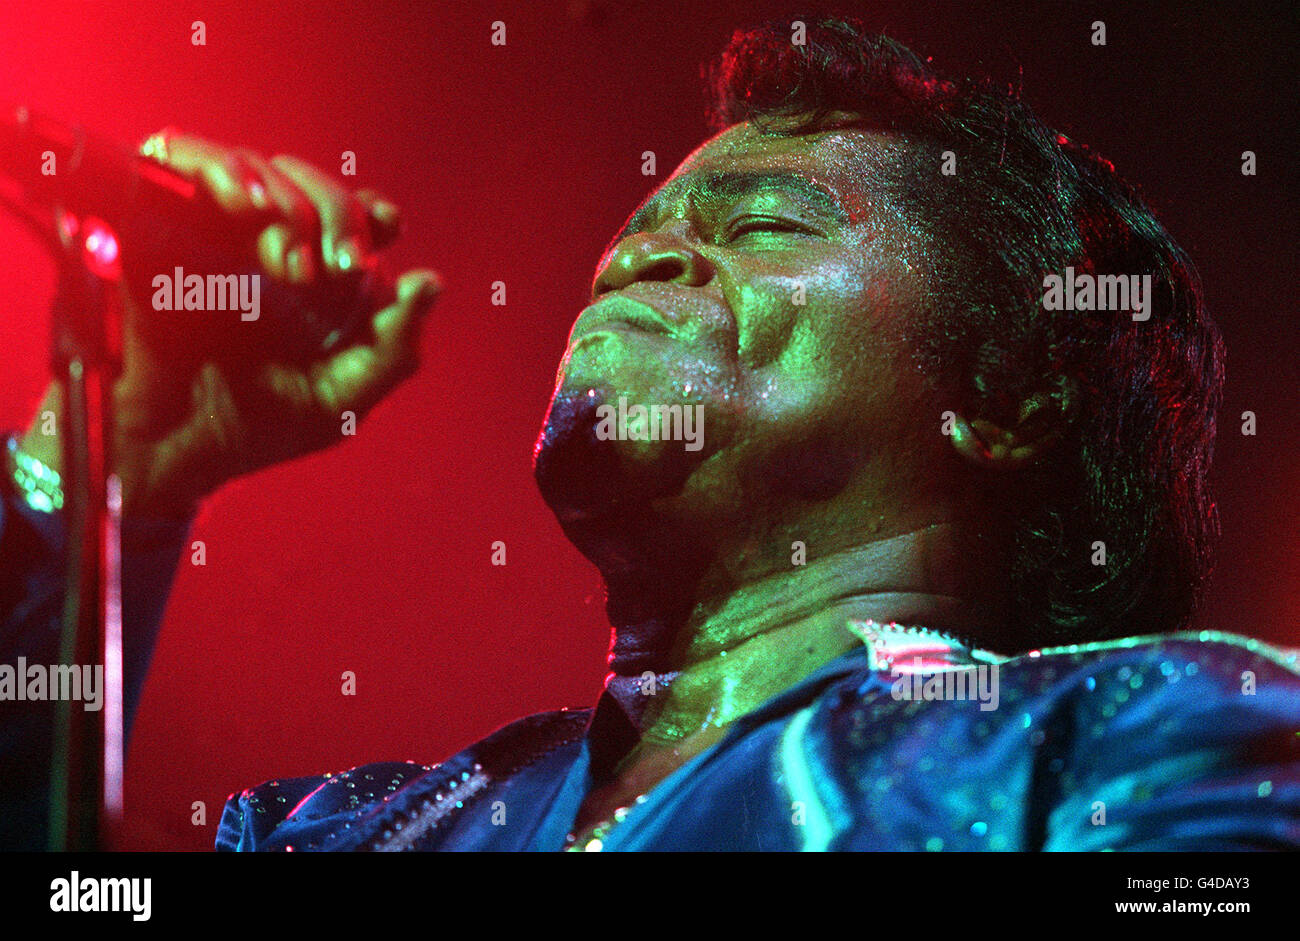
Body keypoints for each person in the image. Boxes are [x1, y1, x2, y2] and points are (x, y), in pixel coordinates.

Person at [2, 16, 1297, 852]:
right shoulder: (339, 829)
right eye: (640, 235)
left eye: (766, 227)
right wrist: (94, 470)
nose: (645, 256)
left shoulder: (1155, 737)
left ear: (1007, 397)